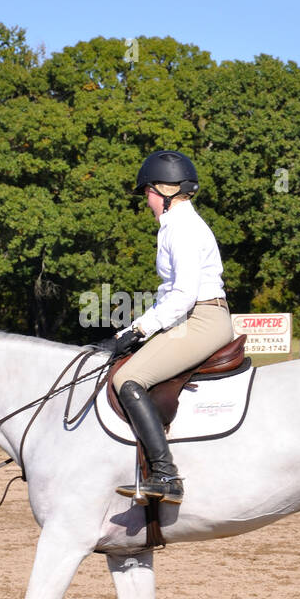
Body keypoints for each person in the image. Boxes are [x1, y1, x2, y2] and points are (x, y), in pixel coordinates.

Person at [100, 150, 233, 505]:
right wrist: (128, 331)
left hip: (202, 318)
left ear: (164, 191)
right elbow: (171, 298)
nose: (146, 201)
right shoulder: (177, 226)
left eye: (148, 193)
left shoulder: (182, 229)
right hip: (191, 316)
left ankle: (165, 475)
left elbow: (184, 295)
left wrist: (140, 331)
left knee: (126, 380)